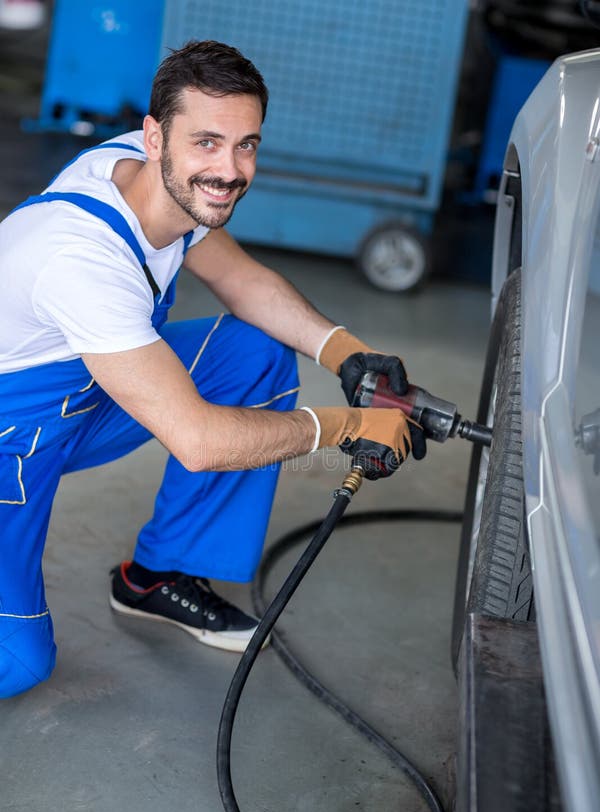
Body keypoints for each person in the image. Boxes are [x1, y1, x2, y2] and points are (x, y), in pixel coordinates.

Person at [0, 40, 426, 699]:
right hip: (11, 449)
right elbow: (200, 443)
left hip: (81, 401)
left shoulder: (150, 174)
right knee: (23, 660)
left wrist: (347, 352)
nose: (229, 169)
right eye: (206, 143)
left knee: (252, 354)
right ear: (156, 136)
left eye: (246, 144)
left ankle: (158, 576)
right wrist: (348, 425)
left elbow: (243, 283)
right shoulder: (81, 259)